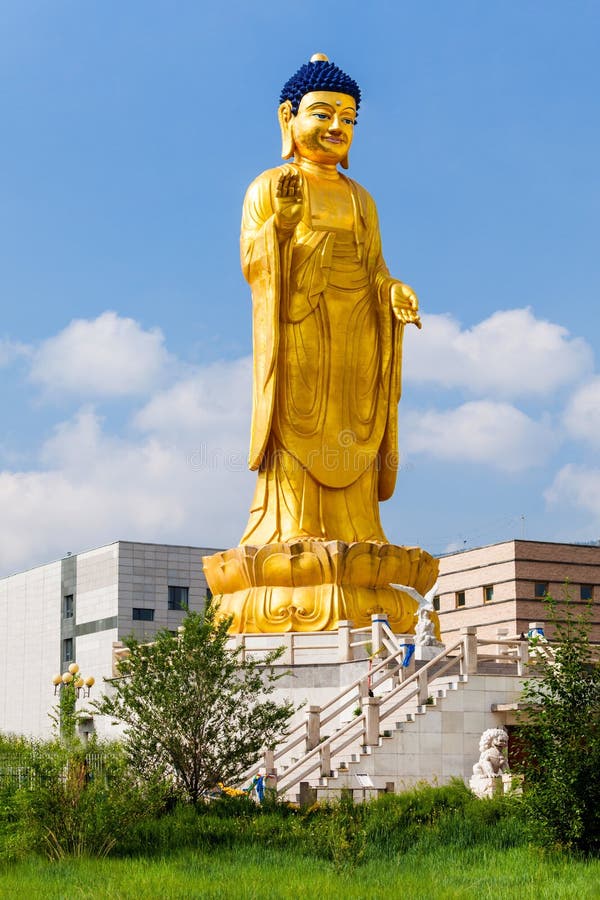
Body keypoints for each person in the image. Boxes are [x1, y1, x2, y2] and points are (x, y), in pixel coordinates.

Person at [240, 54, 421, 548]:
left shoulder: (362, 199)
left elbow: (375, 269)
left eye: (349, 119)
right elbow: (253, 264)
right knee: (298, 419)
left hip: (357, 337)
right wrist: (281, 226)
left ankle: (360, 530)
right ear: (288, 117)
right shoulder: (270, 186)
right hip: (302, 327)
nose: (337, 126)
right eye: (322, 113)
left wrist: (392, 291)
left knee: (354, 427)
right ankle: (290, 530)